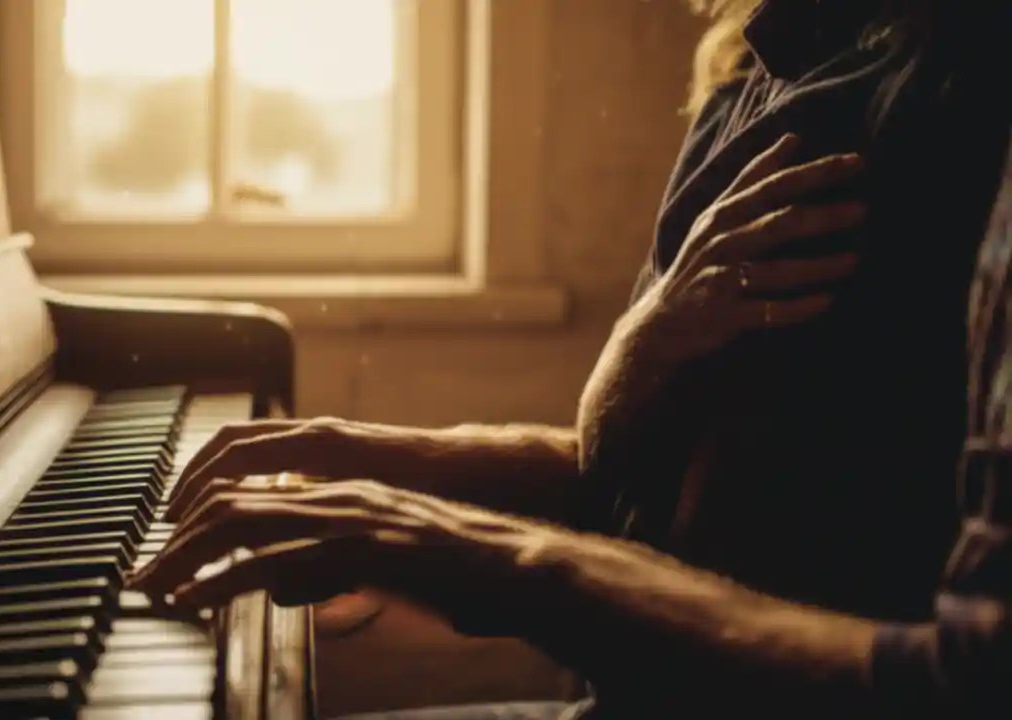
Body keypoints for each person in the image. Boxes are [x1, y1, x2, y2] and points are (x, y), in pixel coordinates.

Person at [132, 0, 1012, 716]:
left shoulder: (964, 100)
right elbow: (643, 473)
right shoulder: (762, 67)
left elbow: (963, 682)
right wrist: (388, 467)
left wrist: (483, 552)